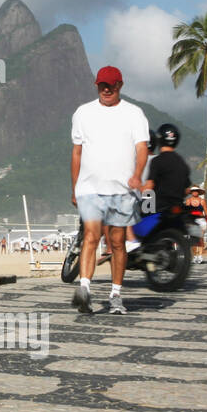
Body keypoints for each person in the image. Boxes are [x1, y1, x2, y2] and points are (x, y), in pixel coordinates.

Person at [69, 66, 150, 314]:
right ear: (96, 85)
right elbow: (77, 153)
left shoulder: (134, 114)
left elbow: (142, 148)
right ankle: (84, 289)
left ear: (119, 86)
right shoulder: (83, 113)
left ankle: (115, 295)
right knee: (91, 236)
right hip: (90, 188)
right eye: (101, 84)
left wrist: (137, 174)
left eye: (110, 85)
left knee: (116, 242)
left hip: (121, 190)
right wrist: (75, 188)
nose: (106, 89)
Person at [183, 185, 207, 263]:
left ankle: (200, 256)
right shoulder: (188, 201)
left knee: (201, 238)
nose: (195, 192)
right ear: (191, 192)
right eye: (193, 191)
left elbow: (206, 211)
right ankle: (195, 255)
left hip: (201, 220)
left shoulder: (202, 201)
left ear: (198, 192)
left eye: (196, 190)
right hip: (192, 221)